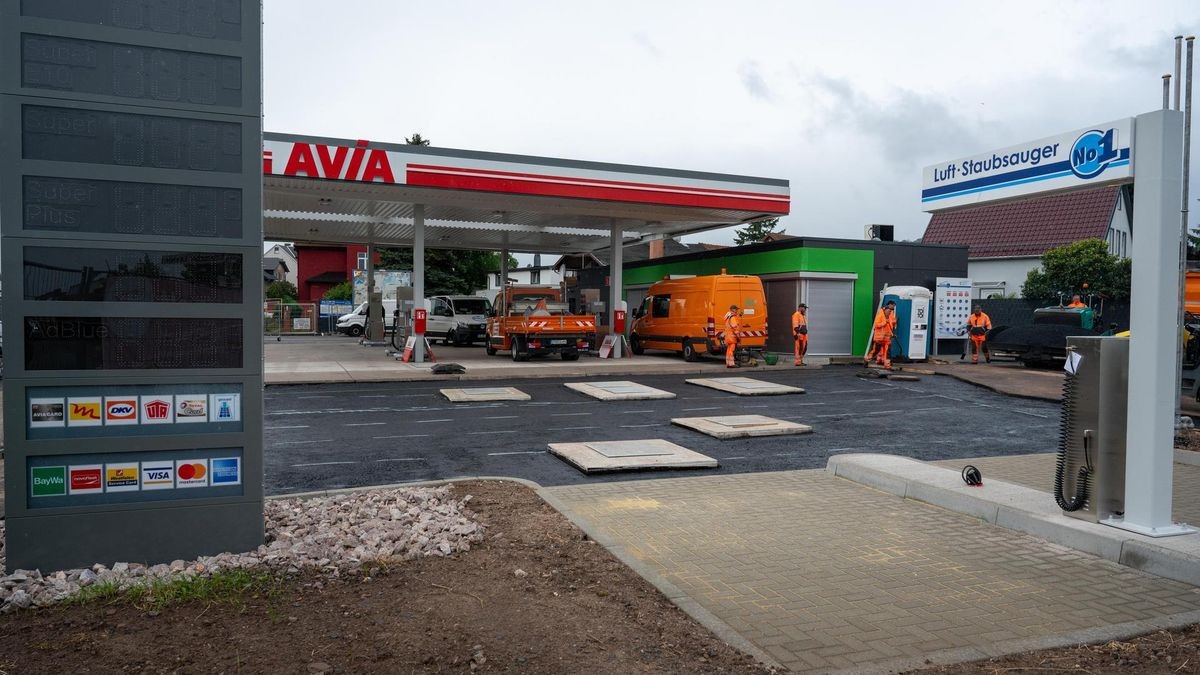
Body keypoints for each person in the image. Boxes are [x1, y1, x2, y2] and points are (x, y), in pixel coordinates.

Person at [865, 301, 896, 369]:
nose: (890, 312)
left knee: (887, 353)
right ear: (885, 310)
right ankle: (867, 359)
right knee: (875, 351)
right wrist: (884, 323)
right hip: (879, 338)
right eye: (889, 311)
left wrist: (892, 334)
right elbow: (876, 325)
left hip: (887, 338)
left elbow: (891, 325)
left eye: (890, 311)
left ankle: (887, 365)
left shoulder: (891, 315)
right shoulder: (880, 315)